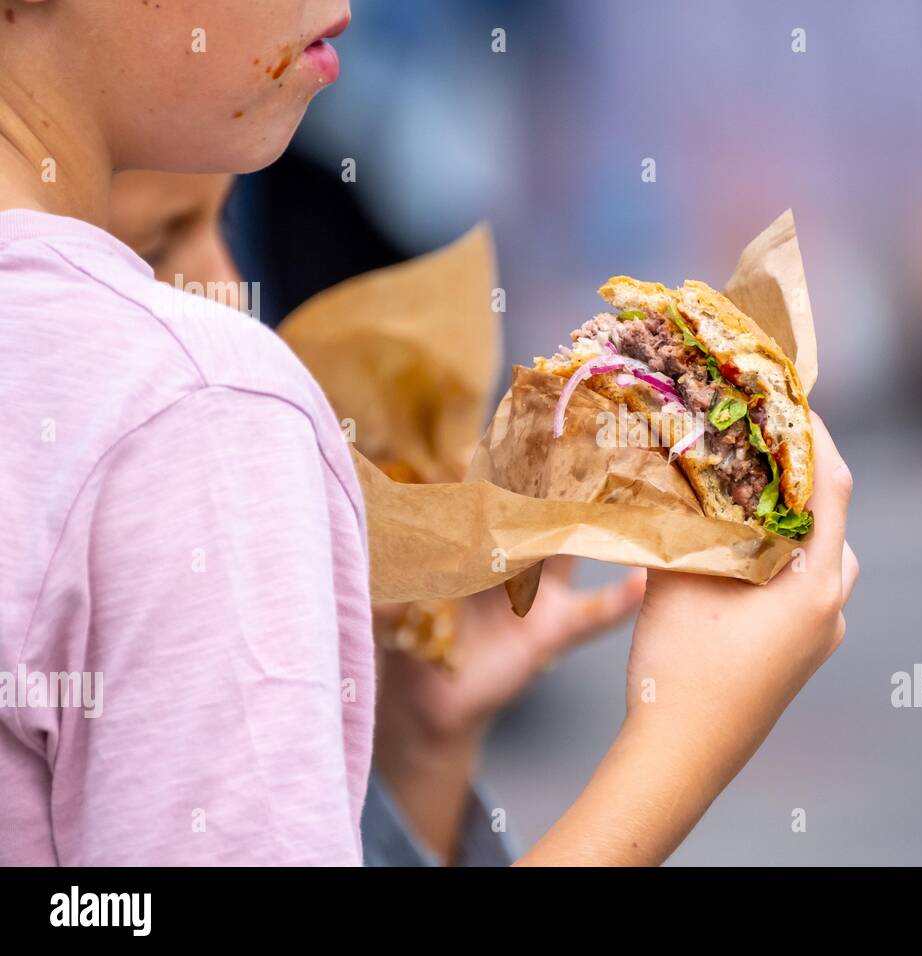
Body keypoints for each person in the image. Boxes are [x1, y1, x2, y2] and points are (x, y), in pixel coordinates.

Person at [0, 1, 858, 867]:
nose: (230, 298)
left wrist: (416, 756)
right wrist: (681, 744)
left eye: (225, 228)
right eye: (150, 248)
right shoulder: (191, 404)